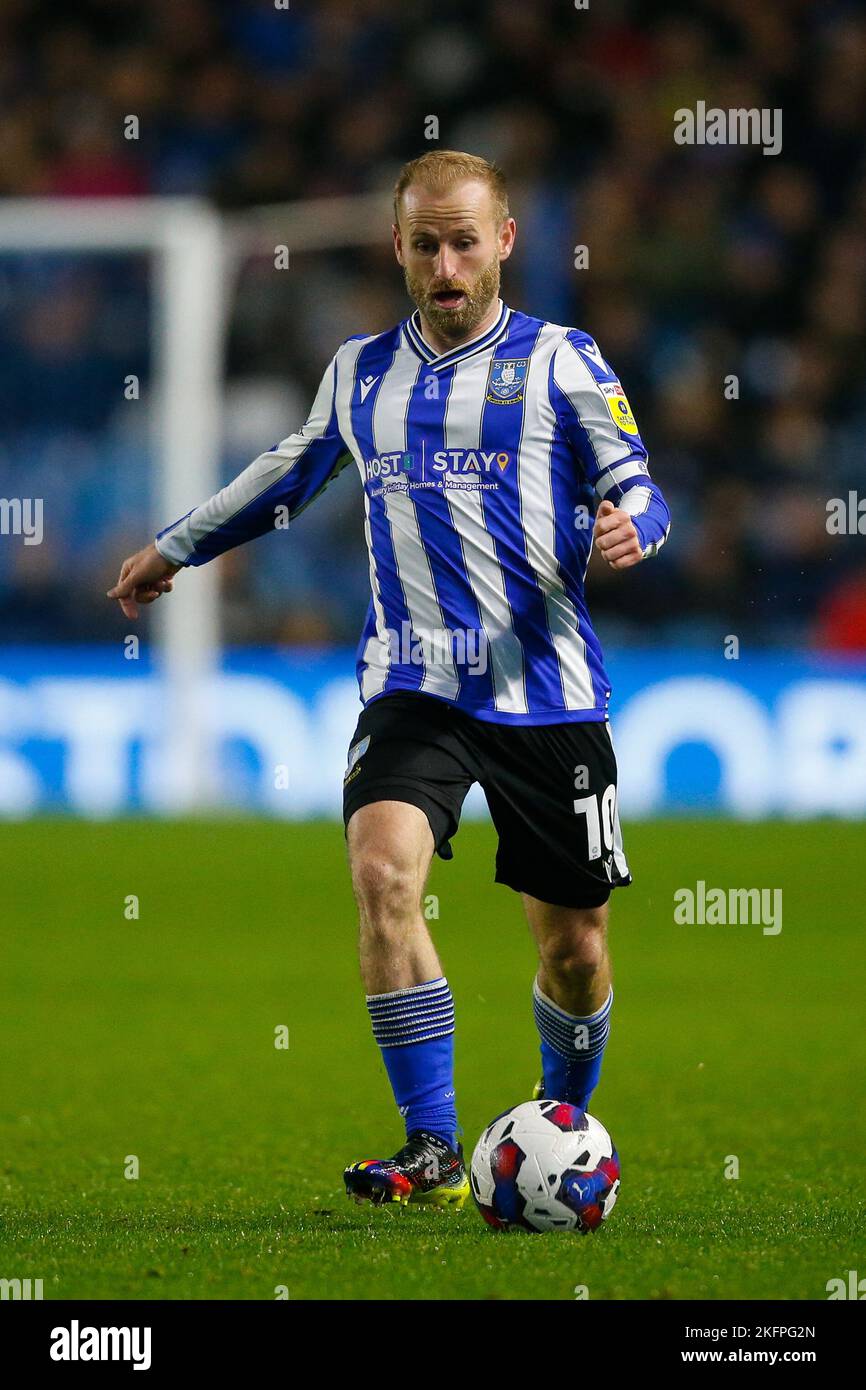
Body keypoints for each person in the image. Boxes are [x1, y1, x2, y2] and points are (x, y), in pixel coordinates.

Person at [108, 150, 671, 1209]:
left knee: (576, 952)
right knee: (381, 873)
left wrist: (628, 526)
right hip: (412, 687)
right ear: (398, 247)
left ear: (503, 240)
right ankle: (429, 1145)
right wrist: (175, 547)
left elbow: (641, 487)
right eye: (425, 245)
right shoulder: (360, 371)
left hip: (544, 694)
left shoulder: (563, 362)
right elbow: (286, 472)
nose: (445, 266)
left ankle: (558, 1122)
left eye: (465, 242)